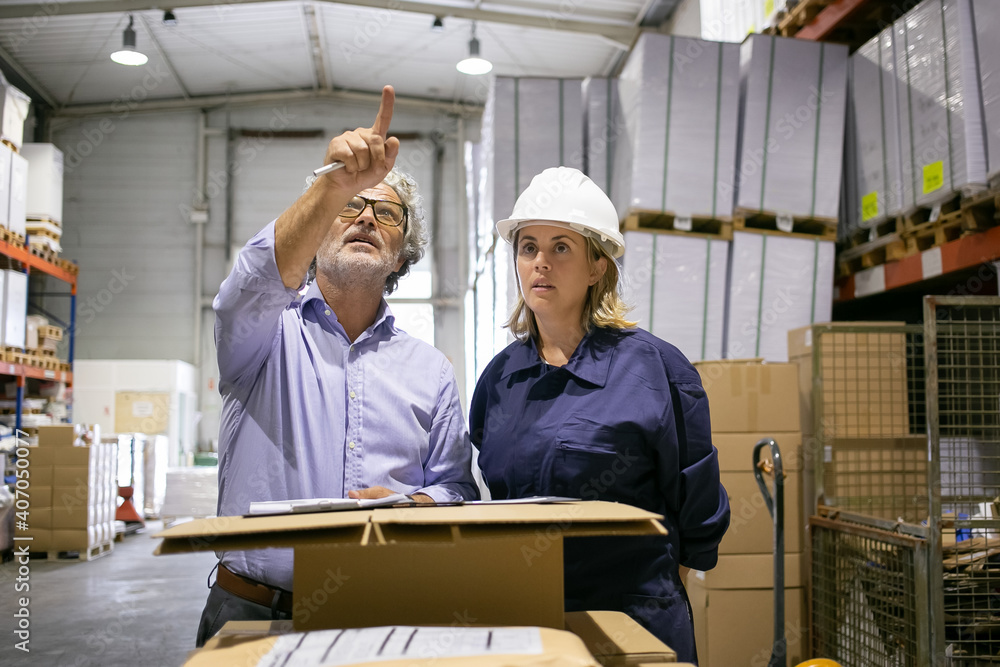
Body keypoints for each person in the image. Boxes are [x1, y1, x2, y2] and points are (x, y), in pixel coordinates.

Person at [198, 86, 478, 646]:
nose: (366, 217)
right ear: (319, 228)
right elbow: (248, 284)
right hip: (253, 615)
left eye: (386, 212)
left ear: (401, 253)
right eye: (350, 207)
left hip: (383, 612)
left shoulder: (432, 372)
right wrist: (333, 185)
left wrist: (413, 506)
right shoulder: (262, 335)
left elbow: (455, 489)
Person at [469, 166, 729, 663]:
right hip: (530, 617)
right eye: (528, 247)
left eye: (561, 247)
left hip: (635, 617)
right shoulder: (500, 378)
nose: (540, 262)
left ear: (597, 268)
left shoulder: (655, 369)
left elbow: (696, 495)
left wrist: (670, 576)